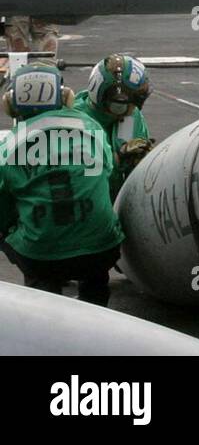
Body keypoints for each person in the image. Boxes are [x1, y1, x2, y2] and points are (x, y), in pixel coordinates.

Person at [0, 63, 123, 306]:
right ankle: (96, 299)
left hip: (42, 258)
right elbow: (110, 177)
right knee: (96, 246)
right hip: (100, 251)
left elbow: (2, 207)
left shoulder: (9, 147)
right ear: (65, 96)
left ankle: (42, 294)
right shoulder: (91, 128)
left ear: (12, 105)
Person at [74, 53, 154, 199]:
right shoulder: (76, 123)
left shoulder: (132, 115)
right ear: (112, 103)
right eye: (129, 103)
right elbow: (81, 177)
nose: (133, 108)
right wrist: (118, 159)